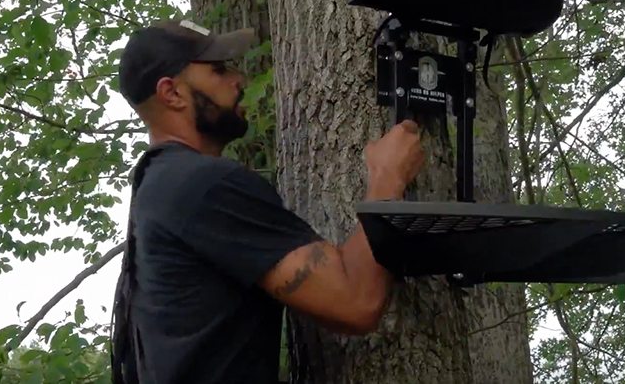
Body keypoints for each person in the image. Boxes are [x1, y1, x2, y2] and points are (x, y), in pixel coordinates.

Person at [110, 20, 424, 384]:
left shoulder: (156, 187)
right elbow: (356, 302)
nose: (239, 80)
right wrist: (387, 178)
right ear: (172, 93)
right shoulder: (202, 186)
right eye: (219, 70)